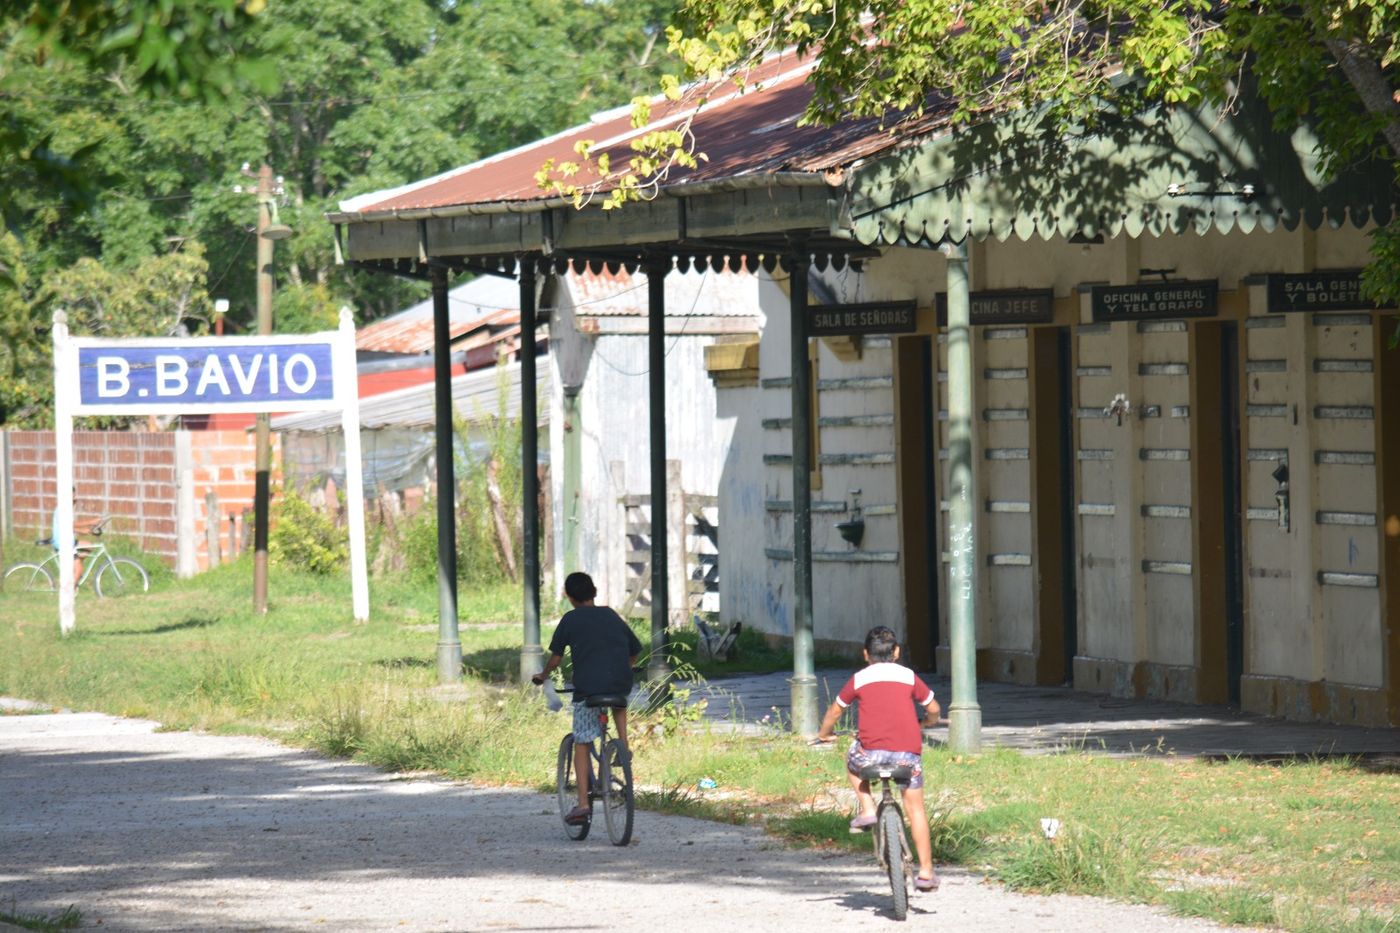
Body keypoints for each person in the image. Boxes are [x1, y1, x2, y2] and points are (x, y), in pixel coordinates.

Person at [813, 625, 942, 892]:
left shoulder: (859, 679)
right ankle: (927, 872)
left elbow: (835, 711)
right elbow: (933, 708)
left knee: (851, 759)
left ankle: (868, 808)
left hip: (869, 756)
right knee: (916, 809)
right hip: (907, 757)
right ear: (896, 651)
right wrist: (927, 722)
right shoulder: (908, 676)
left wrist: (824, 734)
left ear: (865, 654)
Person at [532, 571, 642, 825]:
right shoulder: (611, 615)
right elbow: (634, 651)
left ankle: (583, 805)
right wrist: (626, 666)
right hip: (619, 682)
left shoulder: (570, 619)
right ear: (593, 592)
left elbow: (556, 658)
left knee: (581, 741)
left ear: (569, 597)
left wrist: (544, 674)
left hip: (588, 689)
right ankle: (622, 745)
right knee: (618, 697)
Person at [51, 493, 93, 585]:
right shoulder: (61, 510)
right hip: (63, 543)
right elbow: (71, 524)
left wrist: (83, 531)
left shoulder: (66, 509)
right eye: (73, 496)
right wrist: (91, 522)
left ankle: (73, 571)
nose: (75, 498)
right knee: (79, 569)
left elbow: (69, 527)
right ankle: (69, 589)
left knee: (88, 546)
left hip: (68, 541)